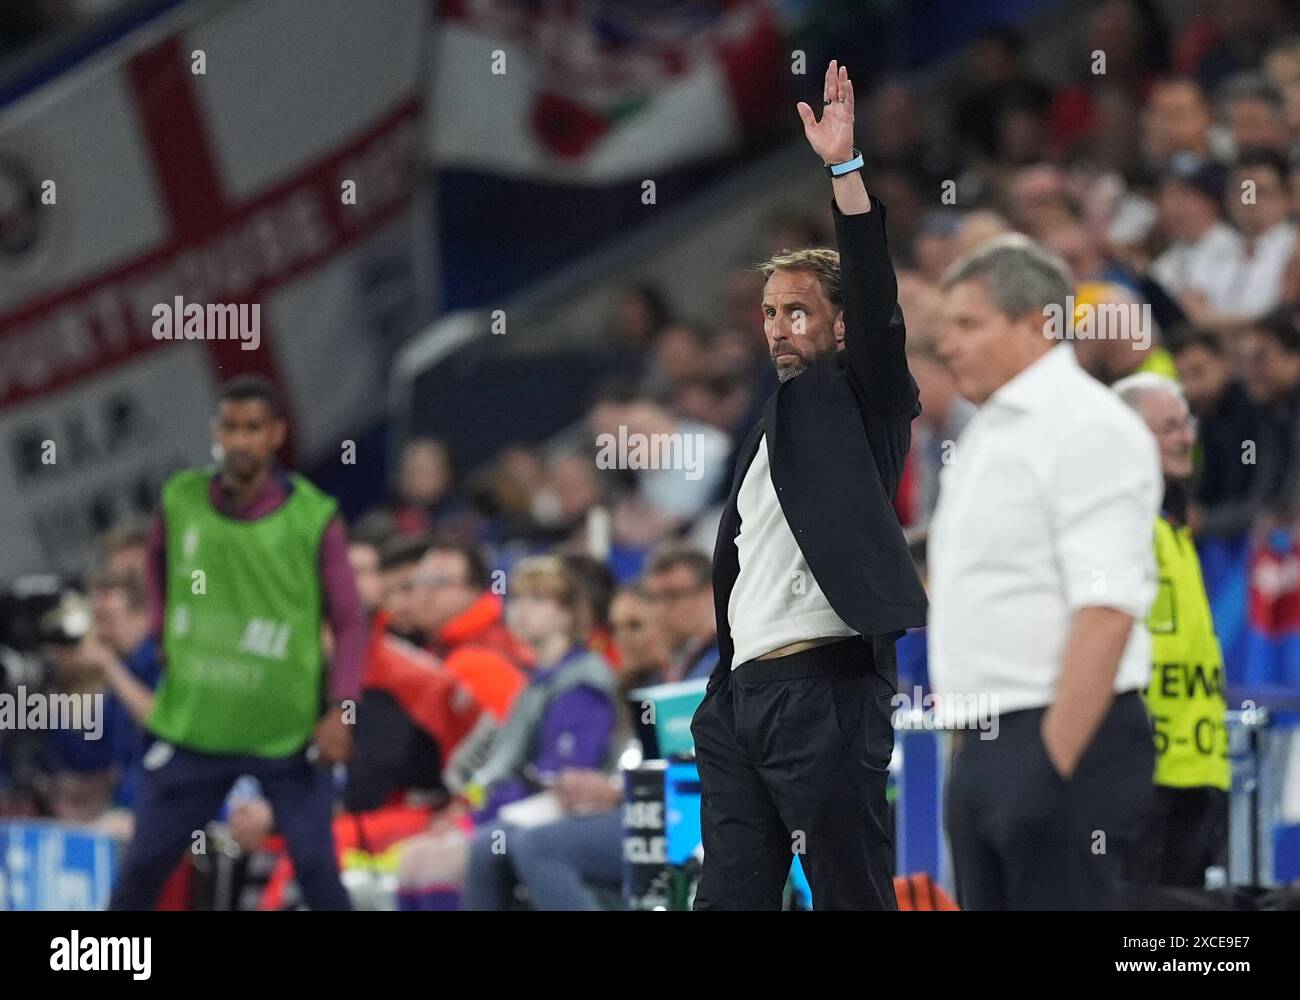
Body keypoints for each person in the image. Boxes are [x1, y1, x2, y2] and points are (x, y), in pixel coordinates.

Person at [690, 60, 927, 911]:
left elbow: (874, 288)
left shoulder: (867, 398)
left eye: (798, 311)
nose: (779, 326)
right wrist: (720, 697)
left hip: (824, 692)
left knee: (851, 893)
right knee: (727, 901)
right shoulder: (767, 427)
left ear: (835, 321)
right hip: (739, 703)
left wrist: (843, 170)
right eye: (768, 312)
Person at [929, 234, 1162, 910]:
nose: (948, 347)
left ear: (1038, 324)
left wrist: (1051, 763)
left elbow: (1107, 608)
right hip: (984, 744)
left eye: (969, 325)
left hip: (1062, 737)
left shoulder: (1087, 426)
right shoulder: (986, 432)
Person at [108, 376, 365, 911]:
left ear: (276, 435)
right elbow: (154, 559)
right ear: (215, 432)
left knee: (319, 871)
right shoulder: (180, 497)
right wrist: (161, 626)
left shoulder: (313, 516)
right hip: (196, 726)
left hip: (288, 731)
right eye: (231, 427)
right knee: (140, 870)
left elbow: (350, 621)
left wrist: (342, 710)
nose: (241, 440)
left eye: (254, 428)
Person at [1113, 373, 1230, 888]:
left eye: (1186, 425)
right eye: (1168, 427)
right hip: (1140, 777)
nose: (1185, 437)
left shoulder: (1175, 533)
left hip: (1196, 771)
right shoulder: (1122, 526)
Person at [642, 544, 719, 682]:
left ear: (709, 593)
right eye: (653, 598)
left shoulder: (727, 664)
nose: (660, 610)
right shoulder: (651, 673)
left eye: (672, 595)